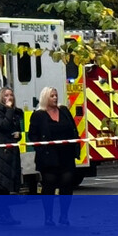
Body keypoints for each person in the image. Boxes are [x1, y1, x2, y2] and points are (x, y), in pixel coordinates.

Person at [29, 86, 78, 227]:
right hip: (48, 158)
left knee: (67, 185)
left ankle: (64, 215)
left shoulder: (64, 111)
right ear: (45, 98)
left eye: (56, 95)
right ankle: (48, 217)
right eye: (52, 96)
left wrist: (75, 146)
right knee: (49, 186)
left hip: (66, 156)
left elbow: (73, 129)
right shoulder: (38, 115)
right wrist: (41, 149)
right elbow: (32, 135)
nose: (55, 98)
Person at [0, 87, 24, 226]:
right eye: (6, 95)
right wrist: (9, 109)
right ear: (1, 97)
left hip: (10, 152)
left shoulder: (14, 111)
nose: (9, 98)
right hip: (0, 154)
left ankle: (5, 214)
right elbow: (3, 125)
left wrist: (18, 134)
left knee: (7, 186)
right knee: (1, 187)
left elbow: (15, 128)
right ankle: (3, 215)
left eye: (11, 95)